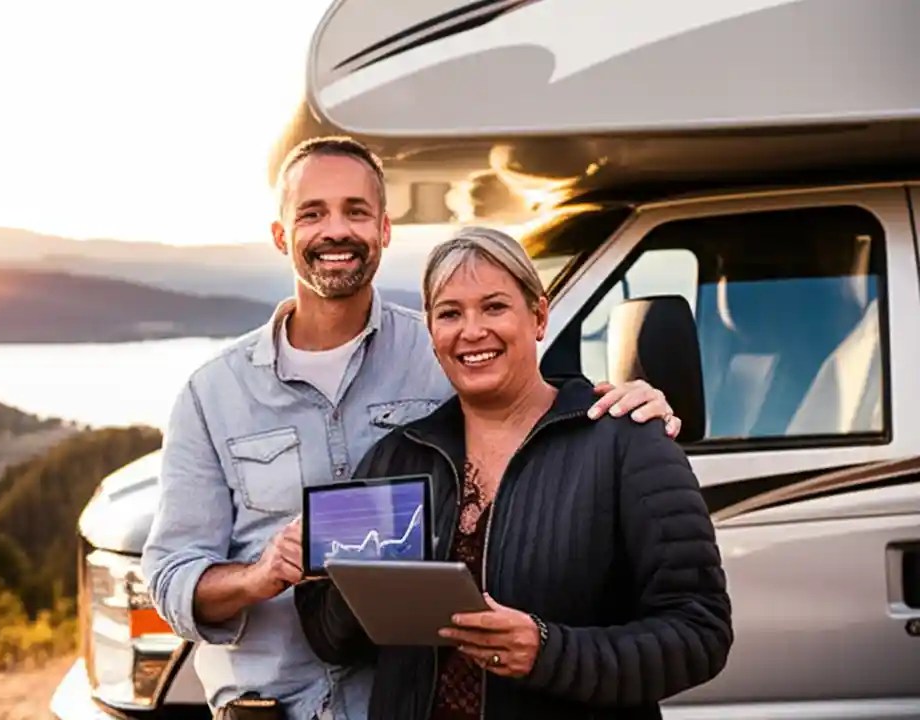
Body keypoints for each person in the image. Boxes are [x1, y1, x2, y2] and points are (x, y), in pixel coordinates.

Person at [140, 136, 684, 720]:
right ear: (281, 236)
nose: (336, 231)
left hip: (406, 700)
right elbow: (170, 576)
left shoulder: (445, 350)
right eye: (312, 213)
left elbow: (531, 406)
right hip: (275, 709)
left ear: (384, 230)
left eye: (356, 211)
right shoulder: (211, 394)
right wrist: (258, 576)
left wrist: (620, 396)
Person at [294, 226, 732, 720]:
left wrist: (550, 652)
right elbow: (330, 638)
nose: (472, 330)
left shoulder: (627, 442)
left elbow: (701, 633)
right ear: (432, 331)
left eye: (495, 307)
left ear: (539, 316)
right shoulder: (397, 457)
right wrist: (322, 564)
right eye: (450, 313)